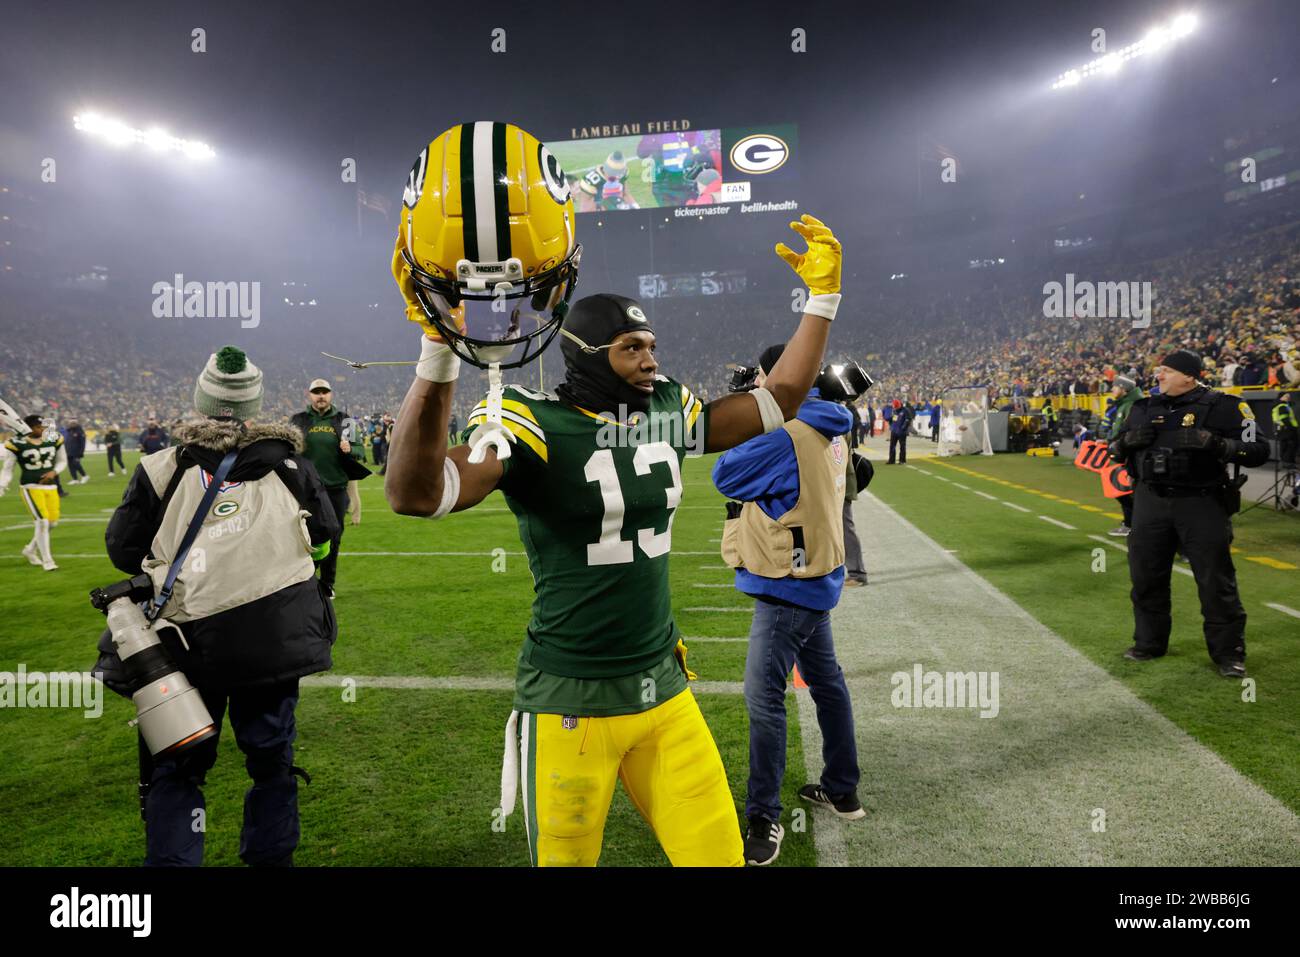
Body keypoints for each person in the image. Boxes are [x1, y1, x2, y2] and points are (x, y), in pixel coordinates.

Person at [385, 120, 844, 868]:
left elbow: (779, 398)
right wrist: (438, 347)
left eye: (653, 345)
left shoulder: (668, 410)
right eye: (633, 347)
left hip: (664, 689)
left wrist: (820, 300)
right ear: (587, 356)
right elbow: (417, 493)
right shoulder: (529, 420)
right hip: (569, 703)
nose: (651, 359)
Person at [102, 346, 340, 865]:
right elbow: (325, 535)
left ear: (201, 400)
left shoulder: (160, 469)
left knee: (179, 767)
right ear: (254, 404)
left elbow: (123, 551)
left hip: (188, 643)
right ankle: (269, 859)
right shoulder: (292, 465)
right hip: (276, 640)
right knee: (272, 761)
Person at [712, 344, 865, 865]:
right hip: (817, 578)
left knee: (763, 701)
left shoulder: (792, 432)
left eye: (765, 378)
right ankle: (842, 789)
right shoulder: (831, 421)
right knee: (827, 683)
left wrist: (753, 410)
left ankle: (763, 816)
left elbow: (726, 475)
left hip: (786, 588)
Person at [1107, 351, 1269, 678]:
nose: (1158, 376)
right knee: (1146, 577)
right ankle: (1149, 643)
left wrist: (1218, 444)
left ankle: (1229, 654)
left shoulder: (1224, 405)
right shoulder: (1142, 408)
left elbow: (1259, 449)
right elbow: (1112, 448)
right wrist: (1126, 443)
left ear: (1189, 375)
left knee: (1215, 581)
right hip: (1150, 502)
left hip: (1201, 503)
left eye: (1166, 371)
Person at [290, 379, 371, 599]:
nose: (321, 395)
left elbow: (360, 451)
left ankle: (327, 583)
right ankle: (305, 581)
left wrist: (350, 448)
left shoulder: (344, 420)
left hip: (335, 488)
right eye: (316, 392)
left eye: (324, 391)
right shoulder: (299, 420)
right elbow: (288, 449)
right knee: (304, 537)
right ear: (309, 395)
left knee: (333, 537)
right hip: (306, 489)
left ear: (331, 395)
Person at [0, 413, 66, 570]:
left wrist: (54, 472)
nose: (42, 429)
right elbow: (8, 469)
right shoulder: (17, 443)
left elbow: (63, 461)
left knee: (52, 523)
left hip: (51, 487)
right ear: (28, 427)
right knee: (42, 522)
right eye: (38, 427)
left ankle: (30, 550)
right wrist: (2, 485)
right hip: (30, 487)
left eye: (43, 426)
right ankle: (48, 561)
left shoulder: (53, 439)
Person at [1104, 375, 1143, 537]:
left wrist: (1119, 445)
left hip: (1129, 454)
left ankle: (1131, 524)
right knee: (1124, 490)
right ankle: (1131, 522)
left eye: (1115, 386)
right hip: (1125, 451)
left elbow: (1131, 432)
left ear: (1124, 388)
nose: (1112, 389)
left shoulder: (1131, 405)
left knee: (1125, 491)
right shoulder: (1126, 404)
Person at [887, 399, 912, 464]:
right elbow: (894, 419)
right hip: (894, 431)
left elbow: (908, 419)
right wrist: (890, 420)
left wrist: (903, 428)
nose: (895, 408)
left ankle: (902, 460)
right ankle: (891, 460)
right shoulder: (895, 411)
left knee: (902, 446)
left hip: (902, 432)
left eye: (896, 407)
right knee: (892, 446)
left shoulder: (905, 410)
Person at [64, 419, 88, 484]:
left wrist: (81, 453)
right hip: (69, 451)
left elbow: (82, 443)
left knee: (76, 464)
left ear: (76, 423)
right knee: (70, 465)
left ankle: (84, 475)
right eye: (71, 423)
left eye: (73, 423)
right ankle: (75, 479)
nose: (72, 424)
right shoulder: (69, 431)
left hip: (76, 452)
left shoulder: (80, 431)